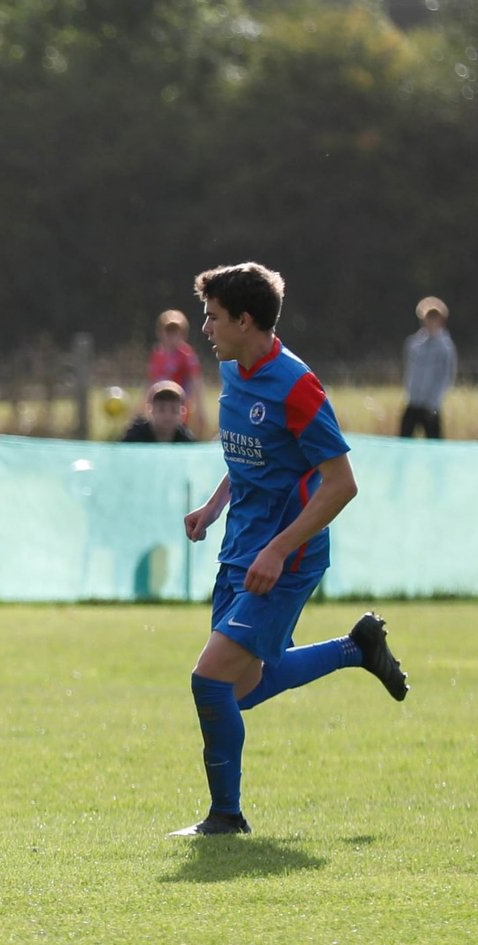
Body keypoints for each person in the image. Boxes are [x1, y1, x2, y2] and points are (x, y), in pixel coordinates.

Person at [172, 262, 409, 838]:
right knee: (240, 689)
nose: (205, 328)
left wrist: (278, 550)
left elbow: (340, 483)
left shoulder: (296, 385)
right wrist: (214, 505)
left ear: (244, 320)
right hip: (240, 551)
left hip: (286, 558)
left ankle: (225, 818)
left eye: (213, 317)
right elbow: (250, 458)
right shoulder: (236, 371)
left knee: (210, 682)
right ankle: (355, 649)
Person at [399, 296, 456, 439]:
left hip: (431, 405)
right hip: (413, 401)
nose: (431, 322)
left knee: (434, 442)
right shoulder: (413, 344)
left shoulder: (445, 347)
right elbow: (408, 371)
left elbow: (446, 376)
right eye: (428, 318)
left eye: (434, 318)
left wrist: (434, 401)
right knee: (404, 440)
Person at [148, 309, 206, 437]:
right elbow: (151, 383)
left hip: (177, 409)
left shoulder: (186, 355)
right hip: (158, 409)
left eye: (176, 332)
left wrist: (200, 411)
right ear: (161, 333)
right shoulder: (157, 354)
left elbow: (196, 382)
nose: (172, 336)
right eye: (168, 332)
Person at [119, 379, 196, 443]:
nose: (167, 415)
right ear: (150, 410)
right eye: (161, 410)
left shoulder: (186, 440)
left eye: (174, 410)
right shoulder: (133, 438)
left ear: (182, 412)